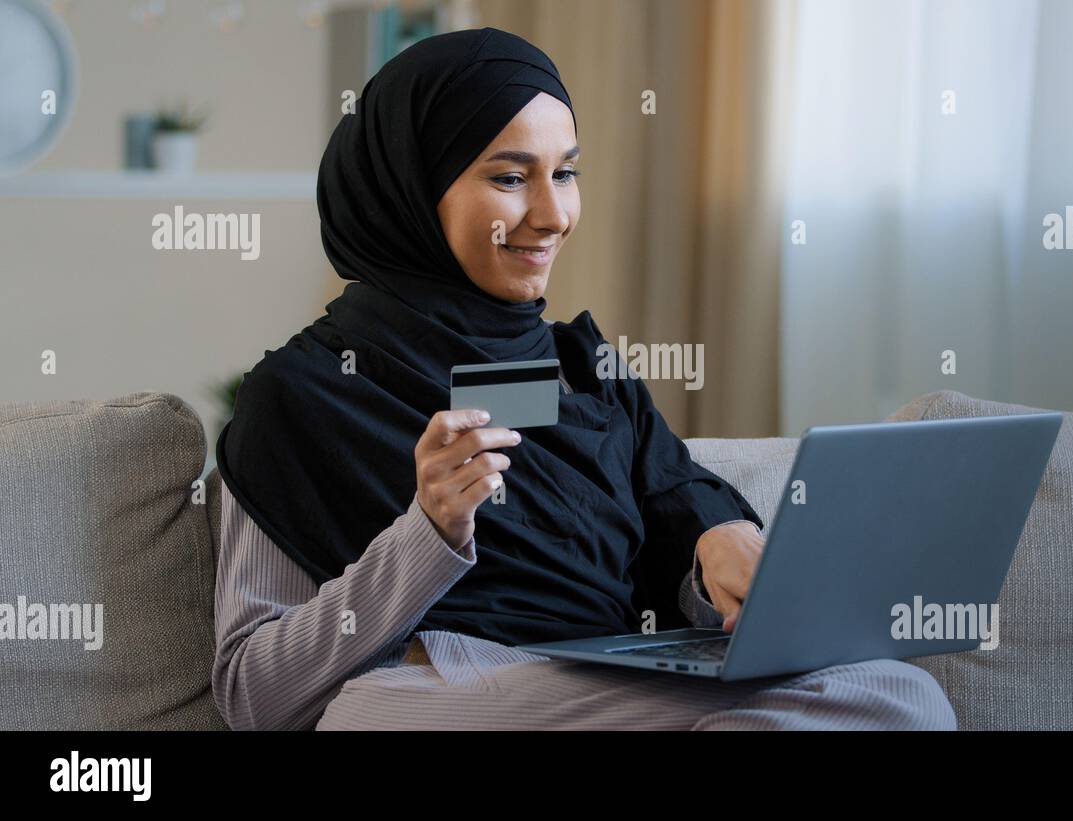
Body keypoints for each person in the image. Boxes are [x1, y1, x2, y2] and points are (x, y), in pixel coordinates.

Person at [211, 26, 957, 731]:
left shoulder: (584, 369)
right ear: (408, 192)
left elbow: (675, 504)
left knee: (897, 690)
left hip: (611, 678)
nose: (554, 213)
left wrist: (718, 546)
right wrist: (427, 534)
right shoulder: (304, 394)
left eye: (565, 173)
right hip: (432, 691)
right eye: (510, 177)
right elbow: (252, 693)